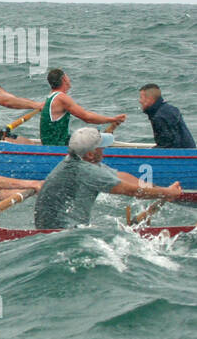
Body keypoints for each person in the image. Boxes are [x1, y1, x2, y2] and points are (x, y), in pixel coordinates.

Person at [33, 126, 181, 228]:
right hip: (60, 233)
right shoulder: (86, 170)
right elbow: (131, 191)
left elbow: (122, 177)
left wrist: (163, 189)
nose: (104, 149)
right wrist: (168, 193)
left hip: (66, 227)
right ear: (90, 154)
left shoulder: (79, 160)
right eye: (101, 147)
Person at [39, 68, 125, 146]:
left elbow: (86, 114)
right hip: (58, 146)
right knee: (108, 139)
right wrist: (112, 119)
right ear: (64, 79)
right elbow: (87, 118)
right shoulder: (61, 97)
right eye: (67, 77)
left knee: (89, 134)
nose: (69, 79)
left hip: (53, 142)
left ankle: (107, 131)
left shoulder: (51, 96)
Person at [138, 83, 195, 149]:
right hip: (189, 151)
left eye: (141, 98)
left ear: (150, 99)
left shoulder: (159, 116)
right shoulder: (169, 108)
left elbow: (168, 145)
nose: (140, 101)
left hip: (181, 155)